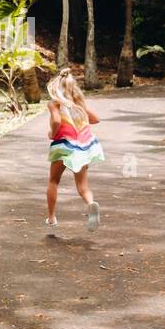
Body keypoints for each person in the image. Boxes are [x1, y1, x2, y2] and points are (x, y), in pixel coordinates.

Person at [45, 68, 105, 230]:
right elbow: (95, 119)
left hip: (63, 146)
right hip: (82, 147)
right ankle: (91, 204)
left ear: (56, 87)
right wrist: (80, 113)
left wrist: (52, 133)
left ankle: (51, 218)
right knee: (83, 187)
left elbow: (57, 122)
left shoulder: (54, 103)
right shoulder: (78, 104)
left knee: (53, 181)